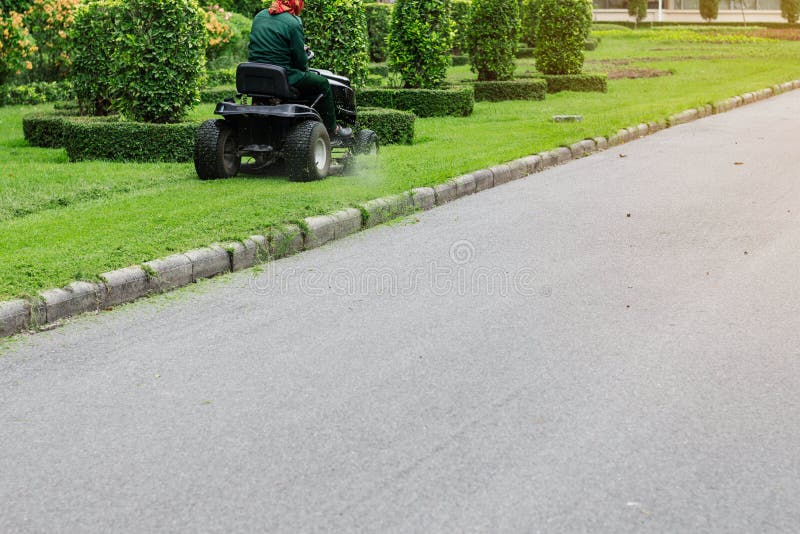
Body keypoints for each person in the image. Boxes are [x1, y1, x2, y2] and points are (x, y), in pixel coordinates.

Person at [248, 0, 352, 138]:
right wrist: (302, 52)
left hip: (254, 74)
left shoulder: (260, 16)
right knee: (322, 83)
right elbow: (301, 63)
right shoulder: (293, 22)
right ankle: (333, 129)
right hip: (283, 76)